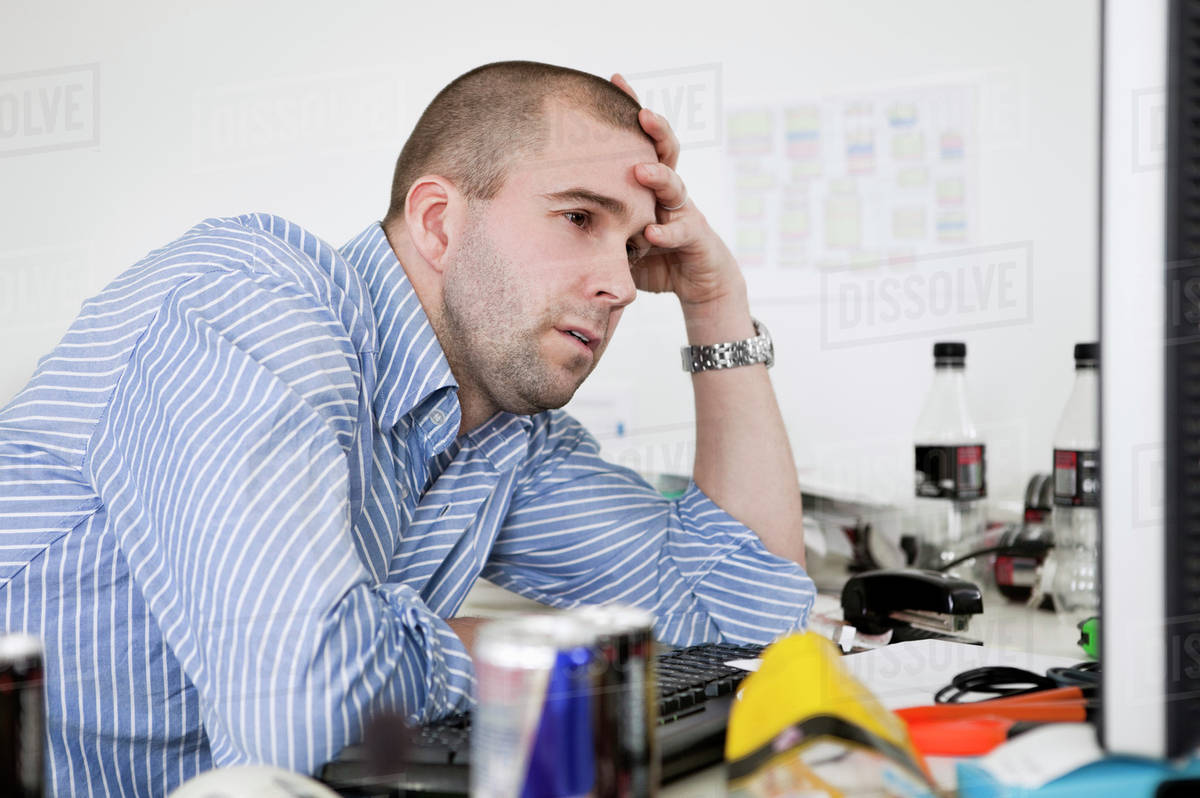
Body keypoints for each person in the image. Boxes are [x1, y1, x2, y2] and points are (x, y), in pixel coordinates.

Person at [0, 61, 814, 794]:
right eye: (578, 219)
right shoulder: (246, 303)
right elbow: (296, 714)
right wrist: (526, 654)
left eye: (634, 247)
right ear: (436, 222)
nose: (621, 285)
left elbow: (752, 620)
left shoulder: (501, 434)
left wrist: (716, 304)